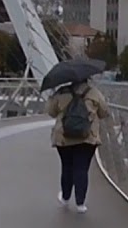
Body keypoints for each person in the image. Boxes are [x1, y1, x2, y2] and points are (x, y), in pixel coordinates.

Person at [45, 79, 110, 213]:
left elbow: (51, 112)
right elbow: (104, 113)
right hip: (87, 137)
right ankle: (80, 203)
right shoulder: (94, 92)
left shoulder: (61, 92)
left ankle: (65, 198)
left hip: (64, 136)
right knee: (81, 169)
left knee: (67, 167)